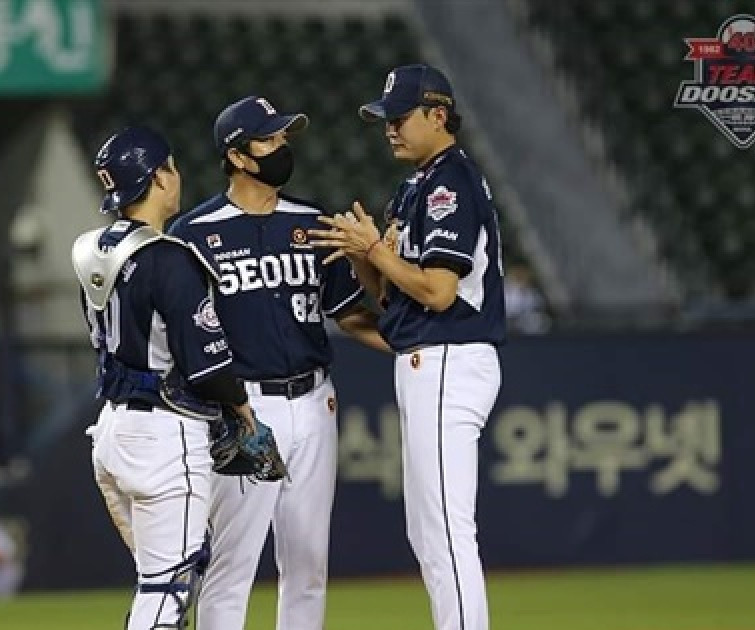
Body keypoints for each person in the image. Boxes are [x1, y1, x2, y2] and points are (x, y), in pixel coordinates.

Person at [168, 95, 386, 630]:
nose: (282, 147)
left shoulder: (312, 221)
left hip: (314, 401)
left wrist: (413, 344)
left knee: (308, 564)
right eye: (269, 139)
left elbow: (348, 314)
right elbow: (182, 337)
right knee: (232, 565)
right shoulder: (194, 234)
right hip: (243, 408)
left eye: (284, 137)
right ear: (237, 156)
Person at [310, 64, 506, 630]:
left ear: (438, 116)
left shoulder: (451, 183)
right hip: (429, 361)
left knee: (445, 529)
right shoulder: (416, 186)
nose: (389, 128)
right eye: (385, 119)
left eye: (400, 117)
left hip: (450, 358)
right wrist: (362, 255)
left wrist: (376, 250)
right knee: (427, 531)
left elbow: (439, 292)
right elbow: (393, 295)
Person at [72, 125, 266, 630]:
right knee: (168, 586)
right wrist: (243, 411)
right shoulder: (169, 258)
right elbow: (208, 366)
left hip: (111, 432)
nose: (177, 177)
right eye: (171, 167)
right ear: (158, 177)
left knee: (158, 581)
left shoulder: (91, 251)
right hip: (163, 434)